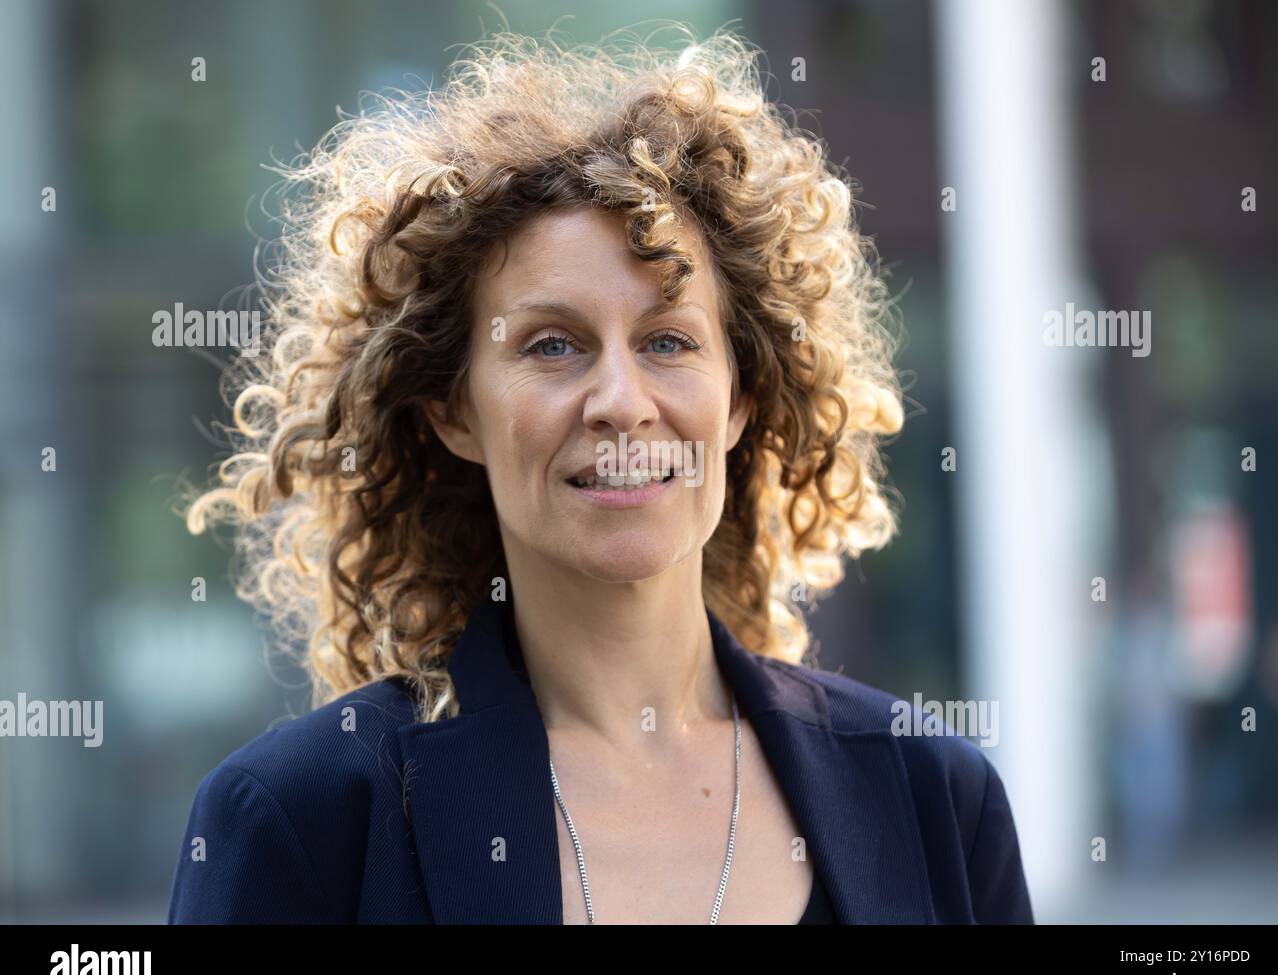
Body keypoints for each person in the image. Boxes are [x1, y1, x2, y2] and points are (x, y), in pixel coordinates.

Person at [167, 25, 1032, 925]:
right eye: (552, 345)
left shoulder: (934, 796)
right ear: (454, 411)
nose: (621, 401)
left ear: (739, 398)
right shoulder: (300, 822)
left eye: (668, 341)